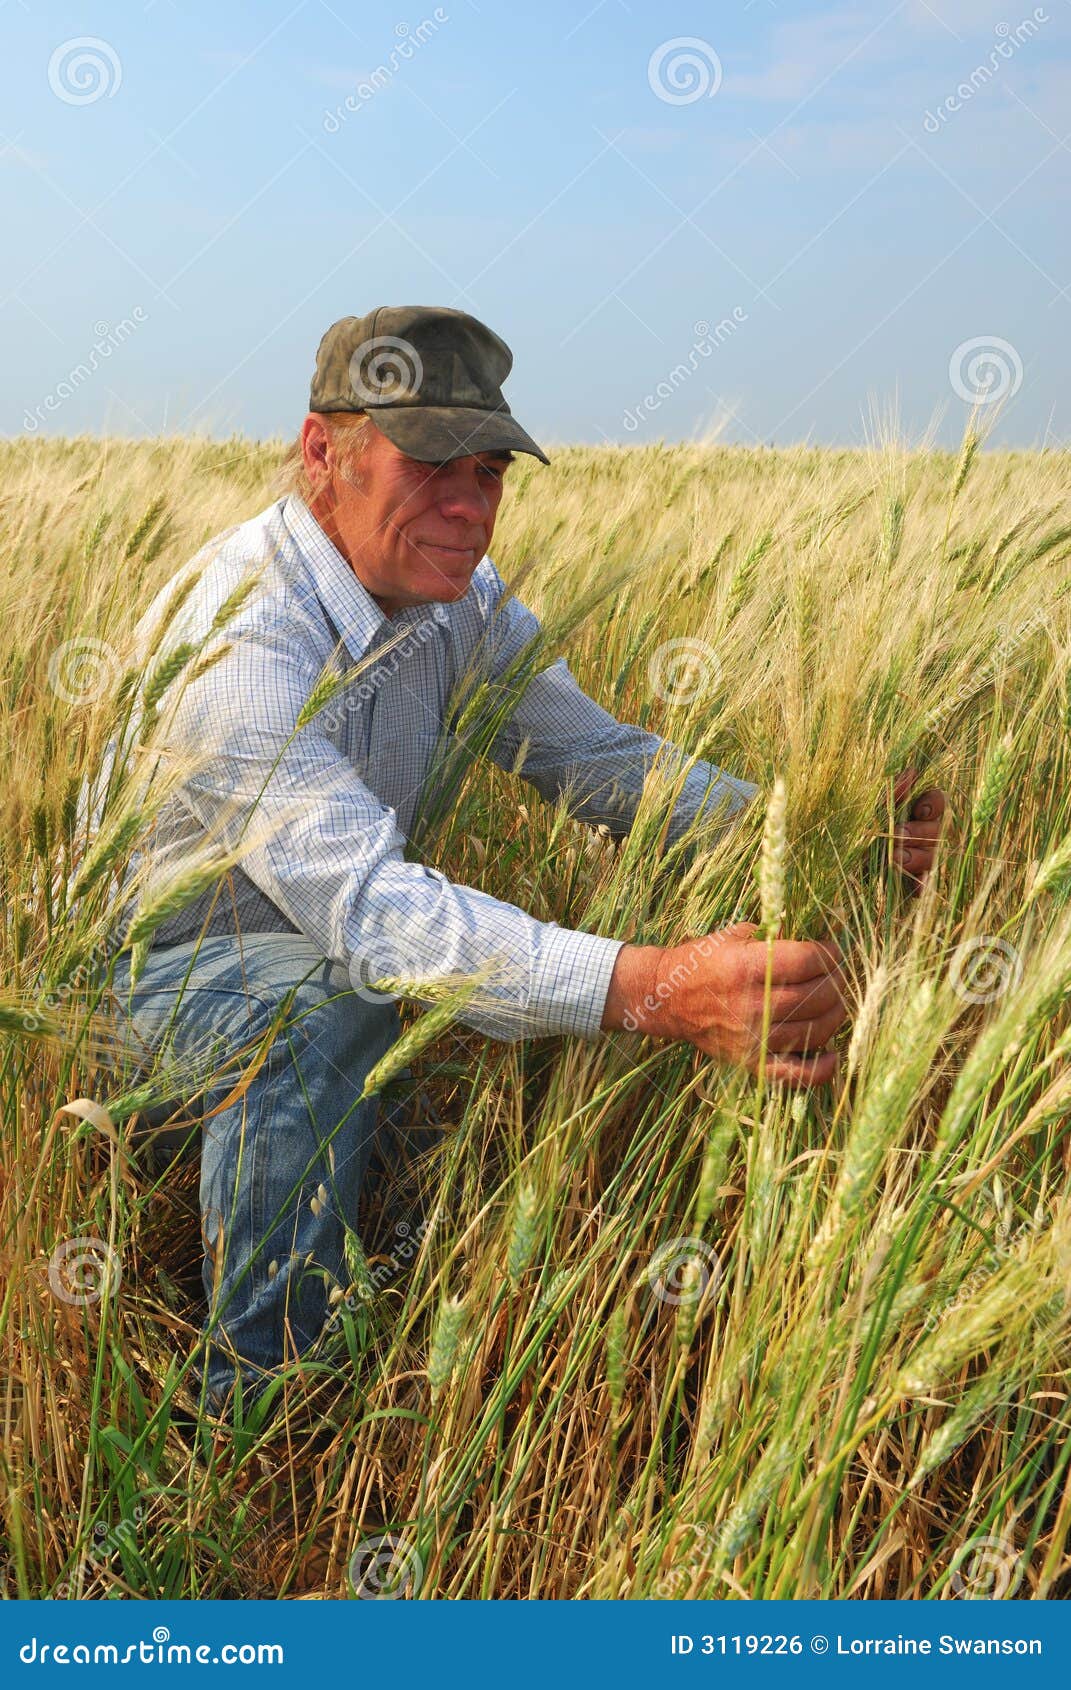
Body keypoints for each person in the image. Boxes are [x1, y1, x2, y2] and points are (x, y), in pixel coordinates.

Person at [105, 305, 949, 1413]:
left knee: (409, 1045)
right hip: (158, 998)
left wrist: (808, 827)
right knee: (321, 1008)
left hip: (325, 970)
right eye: (432, 462)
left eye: (491, 468)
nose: (470, 503)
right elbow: (370, 911)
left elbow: (595, 759)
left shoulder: (456, 600)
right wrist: (659, 989)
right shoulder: (243, 644)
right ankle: (256, 1405)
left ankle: (355, 1248)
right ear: (327, 451)